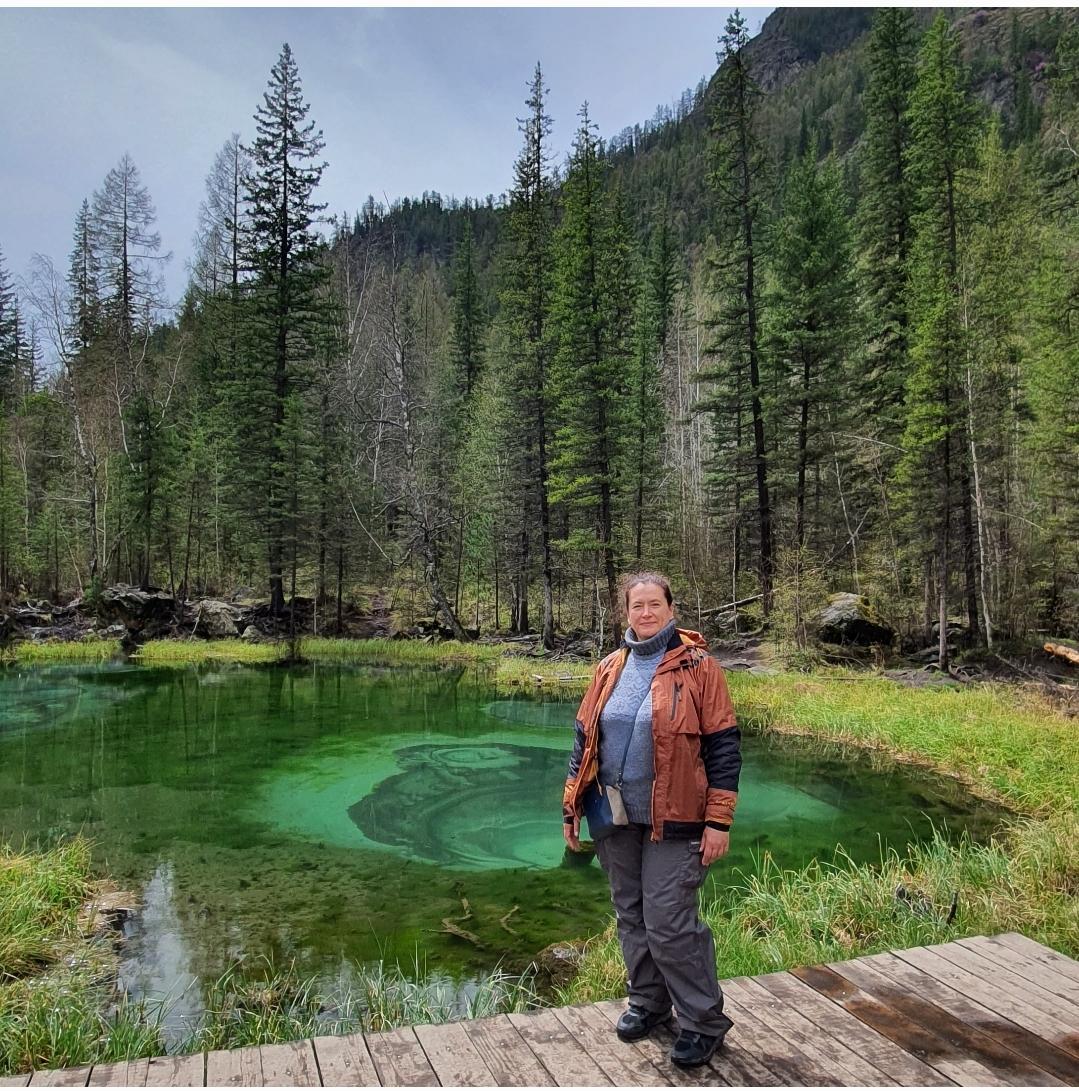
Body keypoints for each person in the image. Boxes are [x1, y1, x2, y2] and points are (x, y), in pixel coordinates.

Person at [563, 571, 741, 1069]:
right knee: (631, 914)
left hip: (679, 818)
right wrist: (570, 807)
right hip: (613, 817)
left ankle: (704, 1022)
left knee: (669, 923)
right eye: (636, 606)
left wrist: (718, 822)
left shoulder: (700, 667)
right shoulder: (609, 668)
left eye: (654, 605)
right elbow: (584, 742)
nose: (645, 613)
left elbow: (724, 748)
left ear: (671, 608)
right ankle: (648, 1002)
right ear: (625, 613)